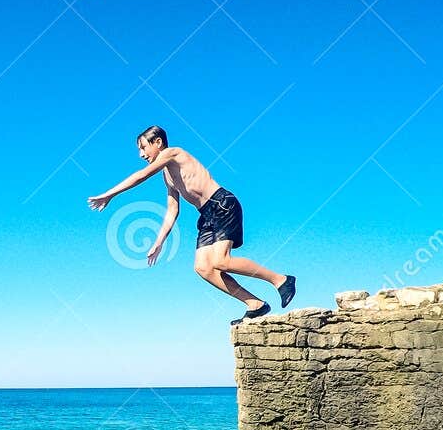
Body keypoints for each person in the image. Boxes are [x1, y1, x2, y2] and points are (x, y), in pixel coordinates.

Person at [88, 126, 296, 324]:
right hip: (206, 215)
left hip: (221, 204)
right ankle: (255, 304)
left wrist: (109, 195)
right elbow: (172, 209)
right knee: (203, 267)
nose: (141, 154)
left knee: (221, 261)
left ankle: (281, 280)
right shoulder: (167, 174)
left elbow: (140, 176)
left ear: (158, 142)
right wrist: (159, 242)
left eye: (143, 147)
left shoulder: (173, 153)